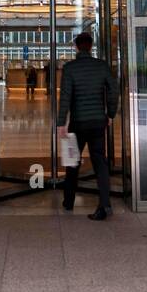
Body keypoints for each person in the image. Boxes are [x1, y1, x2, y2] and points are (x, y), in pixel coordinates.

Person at [57, 33, 118, 221]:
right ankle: (105, 205)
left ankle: (68, 201)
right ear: (91, 47)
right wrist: (110, 114)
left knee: (73, 162)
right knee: (100, 163)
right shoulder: (102, 66)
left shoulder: (70, 68)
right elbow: (114, 90)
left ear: (76, 47)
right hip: (98, 122)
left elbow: (65, 97)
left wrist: (61, 123)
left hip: (78, 123)